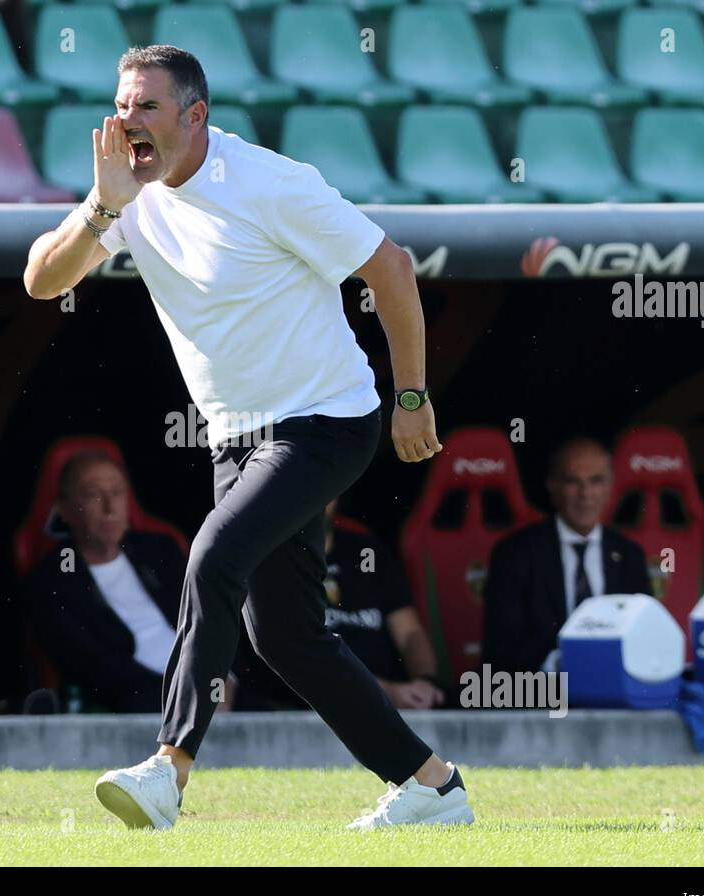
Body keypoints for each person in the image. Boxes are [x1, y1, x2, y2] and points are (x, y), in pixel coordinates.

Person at [24, 45, 473, 830]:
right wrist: (102, 208)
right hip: (235, 440)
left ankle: (169, 767)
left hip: (327, 421)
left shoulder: (270, 182)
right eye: (122, 105)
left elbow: (392, 269)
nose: (128, 121)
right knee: (286, 638)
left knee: (213, 556)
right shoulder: (123, 193)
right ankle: (431, 785)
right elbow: (42, 280)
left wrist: (410, 397)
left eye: (148, 108)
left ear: (196, 117)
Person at [232, 498, 445, 711]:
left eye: (326, 481)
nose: (318, 494)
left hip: (385, 711)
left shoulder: (368, 551)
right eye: (306, 483)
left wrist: (425, 681)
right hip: (299, 715)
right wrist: (386, 692)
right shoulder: (268, 559)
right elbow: (296, 658)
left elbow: (409, 632)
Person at [29, 450, 187, 713]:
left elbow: (209, 618)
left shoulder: (162, 550)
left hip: (206, 682)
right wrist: (179, 693)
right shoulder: (52, 579)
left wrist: (219, 677)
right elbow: (88, 664)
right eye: (93, 494)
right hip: (143, 697)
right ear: (65, 510)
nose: (110, 509)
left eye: (117, 492)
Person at [482, 437, 654, 675]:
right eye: (573, 482)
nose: (585, 494)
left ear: (610, 487)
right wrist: (565, 664)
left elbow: (645, 633)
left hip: (614, 689)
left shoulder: (629, 554)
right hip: (540, 693)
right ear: (552, 486)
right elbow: (502, 644)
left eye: (596, 481)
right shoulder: (515, 553)